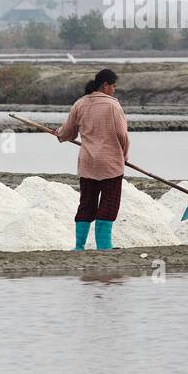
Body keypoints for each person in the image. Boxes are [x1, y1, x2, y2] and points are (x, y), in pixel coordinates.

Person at [55, 68, 129, 251]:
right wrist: (124, 156)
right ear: (105, 85)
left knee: (86, 203)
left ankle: (79, 246)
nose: (114, 90)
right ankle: (104, 247)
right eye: (113, 86)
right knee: (109, 204)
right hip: (110, 164)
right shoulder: (113, 106)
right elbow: (122, 135)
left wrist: (58, 133)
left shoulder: (79, 104)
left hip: (88, 163)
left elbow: (68, 133)